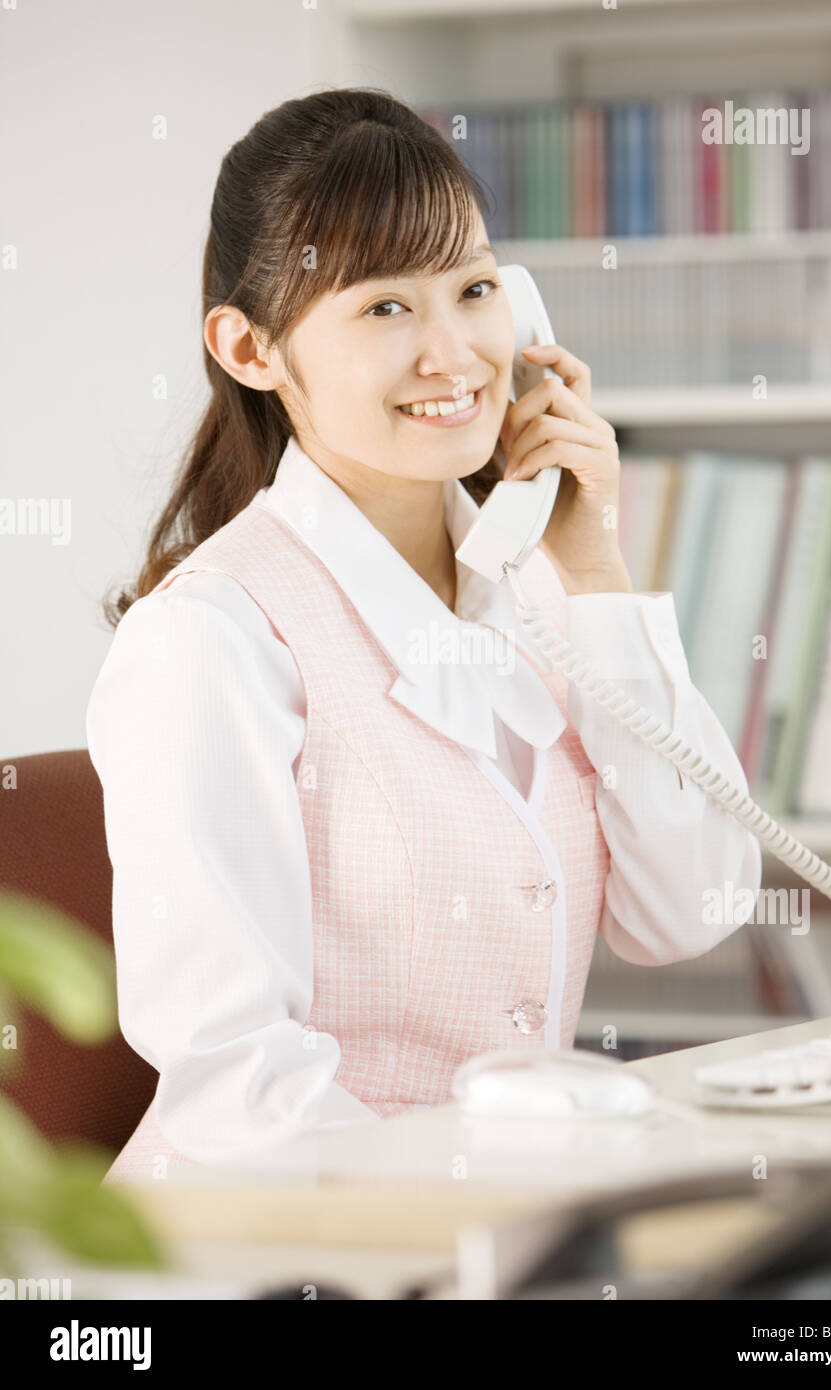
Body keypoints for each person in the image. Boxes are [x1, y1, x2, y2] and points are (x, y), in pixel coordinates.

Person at [87, 87, 761, 1181]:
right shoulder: (211, 638)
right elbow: (240, 1090)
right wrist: (497, 1210)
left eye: (477, 289)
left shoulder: (540, 591)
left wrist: (596, 571)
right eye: (384, 308)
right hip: (276, 1239)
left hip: (478, 1232)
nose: (456, 356)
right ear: (251, 351)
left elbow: (692, 912)